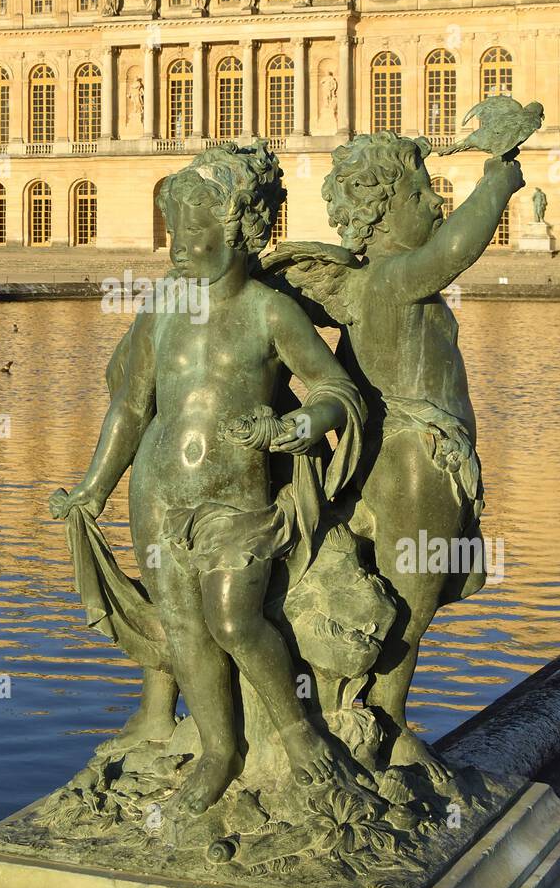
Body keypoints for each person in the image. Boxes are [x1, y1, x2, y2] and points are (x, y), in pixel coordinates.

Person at [50, 143, 364, 815]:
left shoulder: (270, 311)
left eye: (194, 233)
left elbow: (335, 387)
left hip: (237, 499)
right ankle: (220, 751)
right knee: (184, 628)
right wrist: (95, 487)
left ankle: (297, 733)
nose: (178, 247)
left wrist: (301, 424)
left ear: (243, 230)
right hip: (157, 493)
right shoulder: (164, 305)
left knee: (234, 619)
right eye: (173, 231)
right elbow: (131, 406)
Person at [269, 132, 522, 769]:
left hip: (398, 452)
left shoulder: (371, 285)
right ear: (383, 209)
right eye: (422, 194)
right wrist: (498, 177)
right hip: (415, 459)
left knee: (403, 585)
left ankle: (354, 711)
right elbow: (455, 249)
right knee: (415, 592)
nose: (436, 205)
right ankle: (386, 719)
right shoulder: (389, 279)